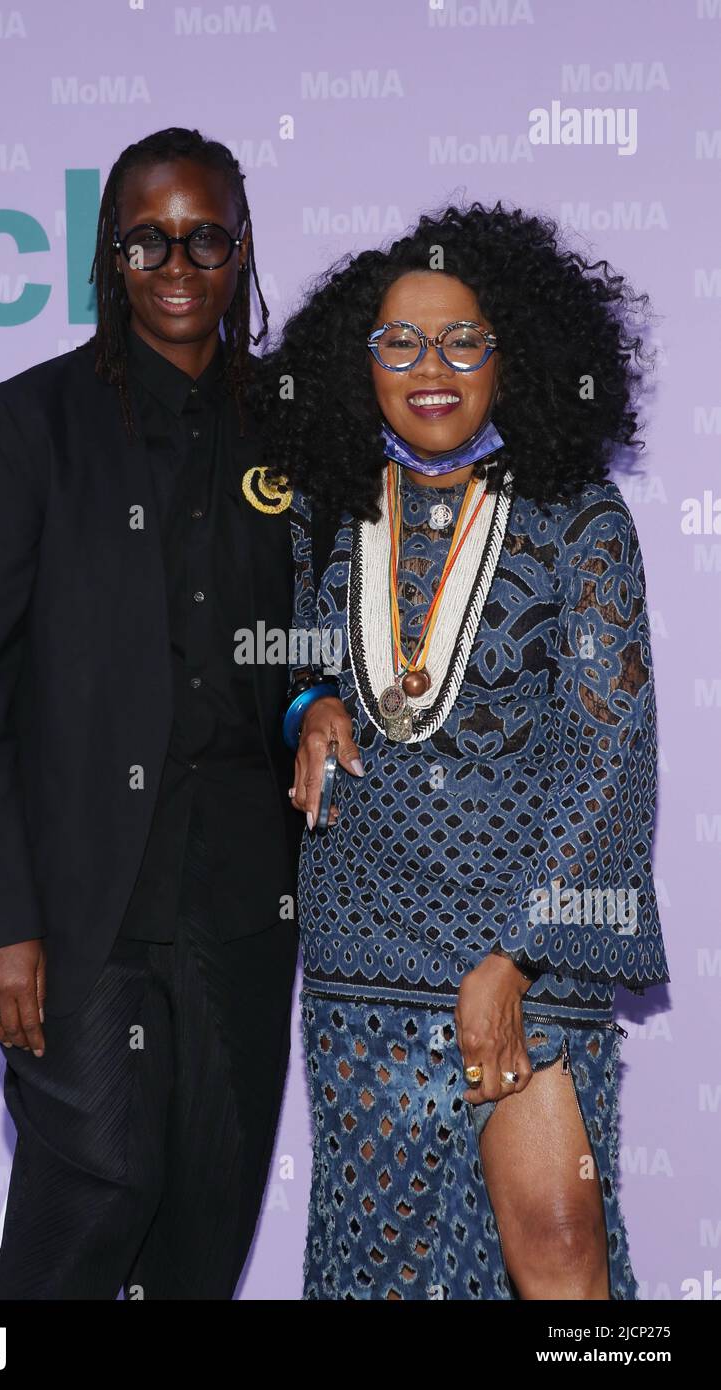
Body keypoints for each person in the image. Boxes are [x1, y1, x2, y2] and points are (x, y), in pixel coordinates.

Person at [254, 202, 671, 1300]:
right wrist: (307, 705)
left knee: (558, 1238)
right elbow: (291, 651)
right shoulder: (324, 507)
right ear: (361, 363)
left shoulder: (577, 517)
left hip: (526, 935)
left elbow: (607, 746)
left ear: (509, 357)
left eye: (459, 340)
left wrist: (518, 955)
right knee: (382, 1259)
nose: (427, 367)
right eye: (397, 342)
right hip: (364, 936)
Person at [0, 127, 300, 1300]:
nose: (176, 260)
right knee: (96, 1190)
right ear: (110, 254)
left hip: (242, 899)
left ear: (241, 251)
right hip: (76, 907)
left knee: (204, 1216)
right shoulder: (29, 423)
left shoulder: (294, 431)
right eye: (148, 236)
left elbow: (329, 629)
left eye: (204, 236)